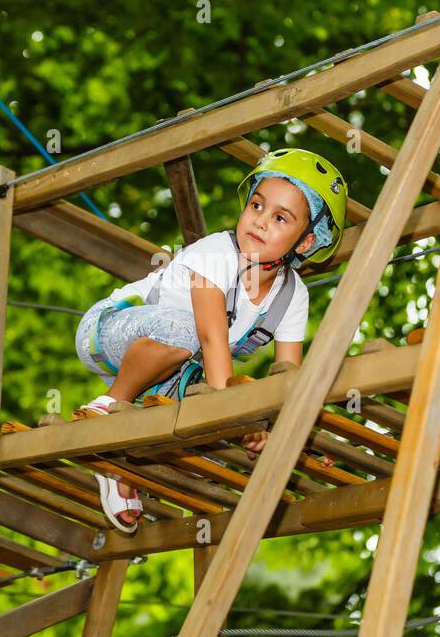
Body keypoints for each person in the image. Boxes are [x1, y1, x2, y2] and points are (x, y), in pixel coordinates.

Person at [72, 148, 350, 532]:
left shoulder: (292, 295)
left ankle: (122, 470)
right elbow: (212, 338)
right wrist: (239, 416)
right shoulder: (216, 253)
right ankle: (109, 404)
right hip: (110, 333)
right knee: (190, 336)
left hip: (173, 372)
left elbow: (288, 379)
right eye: (257, 205)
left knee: (213, 450)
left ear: (304, 243)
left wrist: (299, 438)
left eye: (280, 217)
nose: (261, 221)